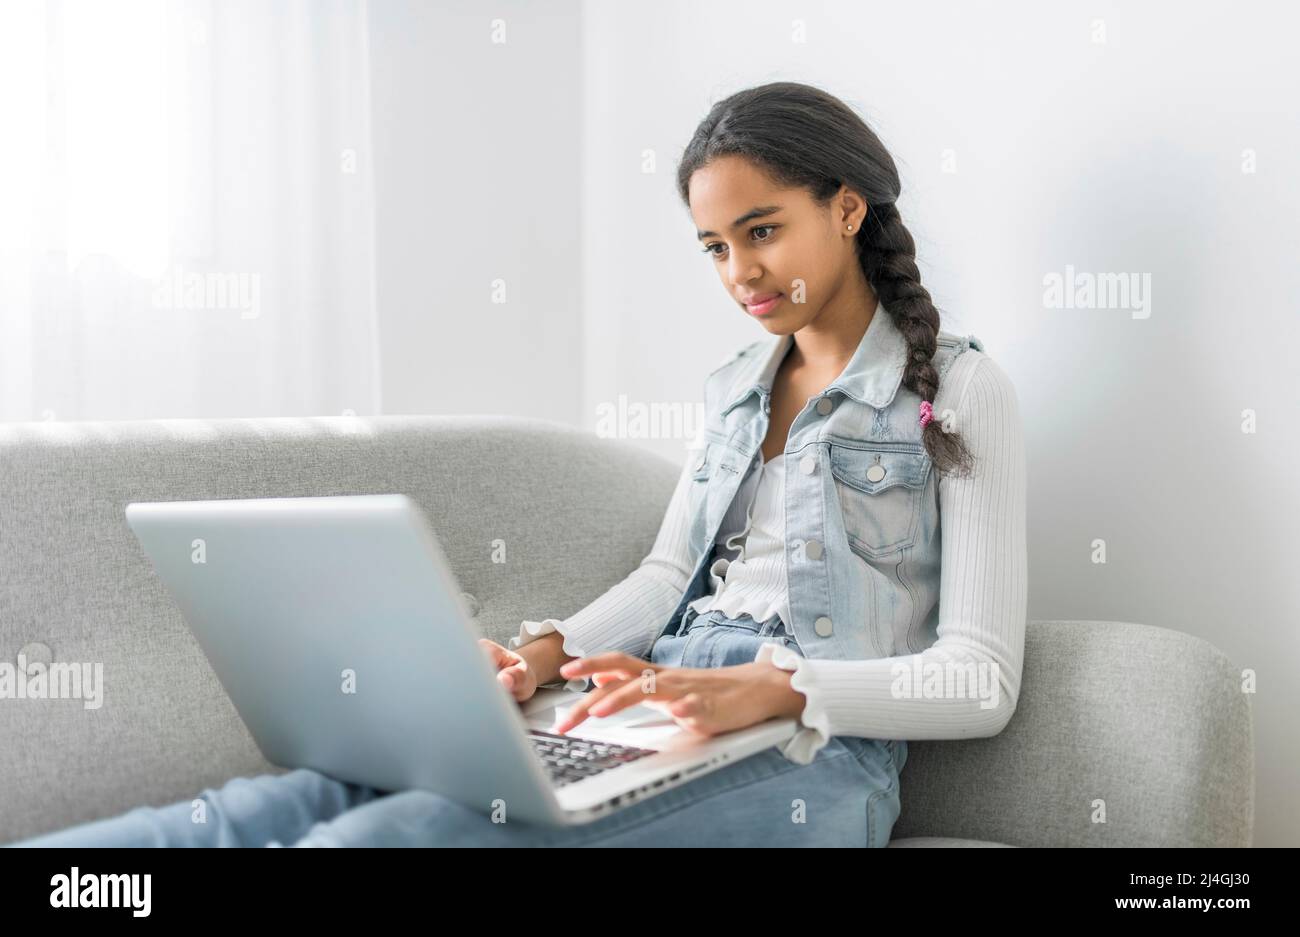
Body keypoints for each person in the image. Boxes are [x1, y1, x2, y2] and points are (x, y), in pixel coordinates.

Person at [9, 80, 1026, 848]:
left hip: (816, 762)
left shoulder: (958, 391)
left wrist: (790, 688)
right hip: (646, 703)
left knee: (384, 840)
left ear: (846, 209)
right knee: (263, 809)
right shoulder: (733, 389)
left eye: (762, 232)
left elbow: (979, 678)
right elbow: (668, 579)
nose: (740, 273)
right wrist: (539, 650)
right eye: (714, 246)